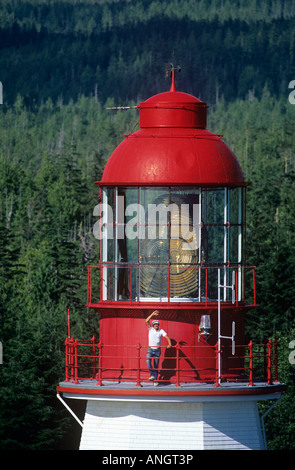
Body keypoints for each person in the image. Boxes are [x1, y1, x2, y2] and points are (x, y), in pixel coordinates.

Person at [146, 310, 171, 386]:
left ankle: (155, 381)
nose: (156, 325)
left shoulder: (161, 331)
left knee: (156, 366)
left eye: (157, 324)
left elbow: (166, 336)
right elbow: (147, 321)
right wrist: (152, 314)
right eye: (155, 324)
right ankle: (152, 375)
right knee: (148, 361)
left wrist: (170, 343)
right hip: (150, 349)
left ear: (158, 325)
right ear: (153, 325)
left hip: (157, 350)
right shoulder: (151, 329)